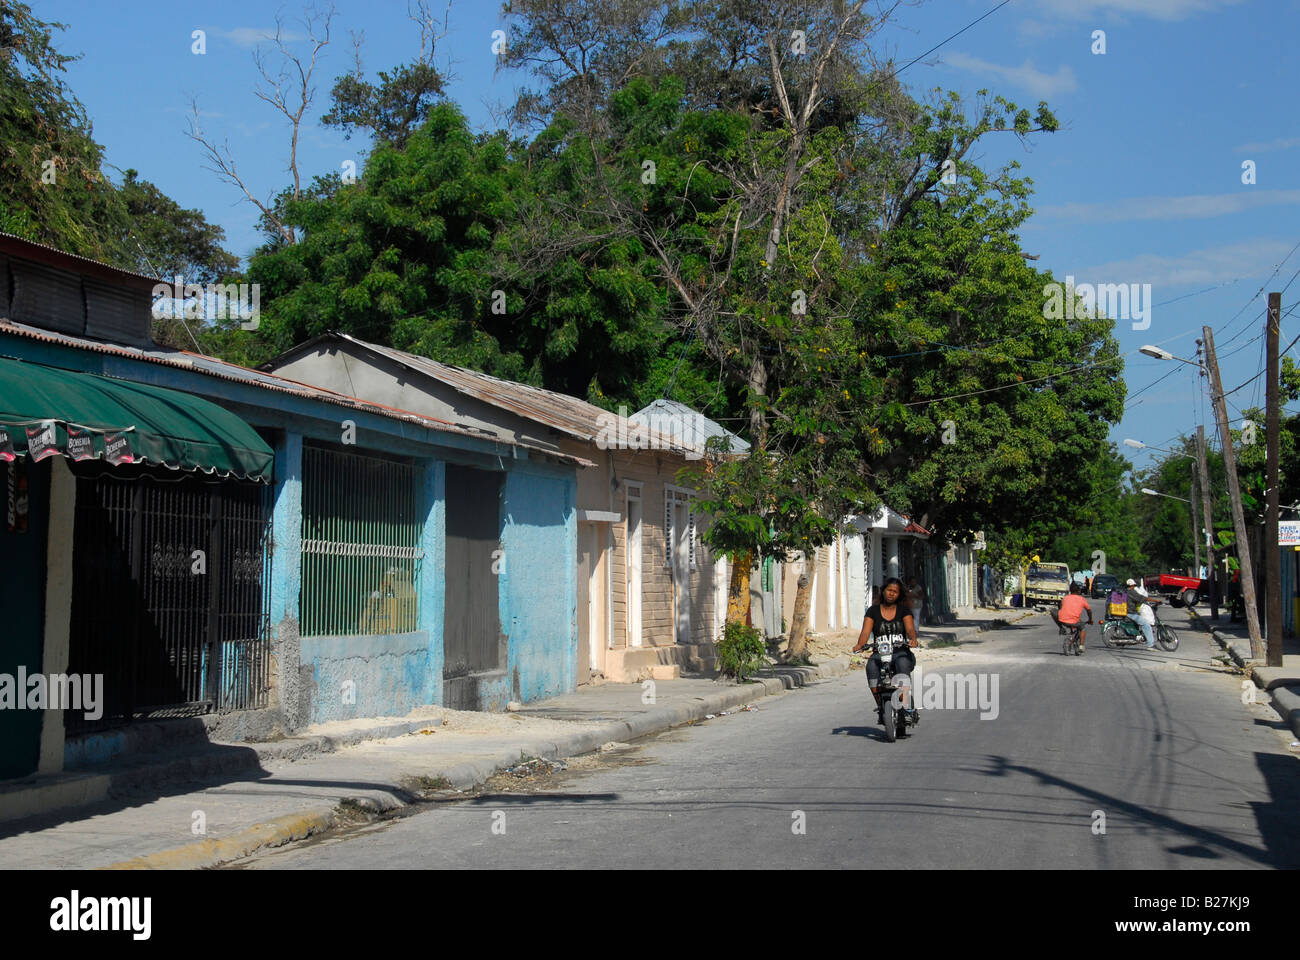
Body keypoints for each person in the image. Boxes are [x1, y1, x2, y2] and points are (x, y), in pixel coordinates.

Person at [852, 577, 920, 724]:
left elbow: (909, 628)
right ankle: (880, 705)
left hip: (901, 652)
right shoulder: (873, 611)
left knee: (902, 665)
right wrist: (860, 645)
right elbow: (865, 632)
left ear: (899, 595)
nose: (891, 594)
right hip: (880, 654)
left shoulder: (904, 610)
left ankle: (907, 706)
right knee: (871, 667)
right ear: (883, 591)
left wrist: (913, 639)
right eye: (889, 590)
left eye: (895, 592)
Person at [1057, 581, 1094, 650]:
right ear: (1078, 591)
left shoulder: (1065, 598)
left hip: (1062, 620)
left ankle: (1061, 628)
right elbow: (1089, 610)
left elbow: (1060, 606)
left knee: (1073, 623)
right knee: (1082, 627)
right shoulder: (1081, 599)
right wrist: (1090, 619)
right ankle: (1081, 646)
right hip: (1074, 621)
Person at [1125, 578, 1159, 649]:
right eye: (1134, 586)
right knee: (1146, 624)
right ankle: (1150, 645)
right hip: (1131, 613)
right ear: (1132, 585)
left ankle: (1139, 636)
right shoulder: (1131, 592)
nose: (1134, 587)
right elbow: (1142, 598)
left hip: (1126, 612)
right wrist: (1156, 600)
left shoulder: (1125, 592)